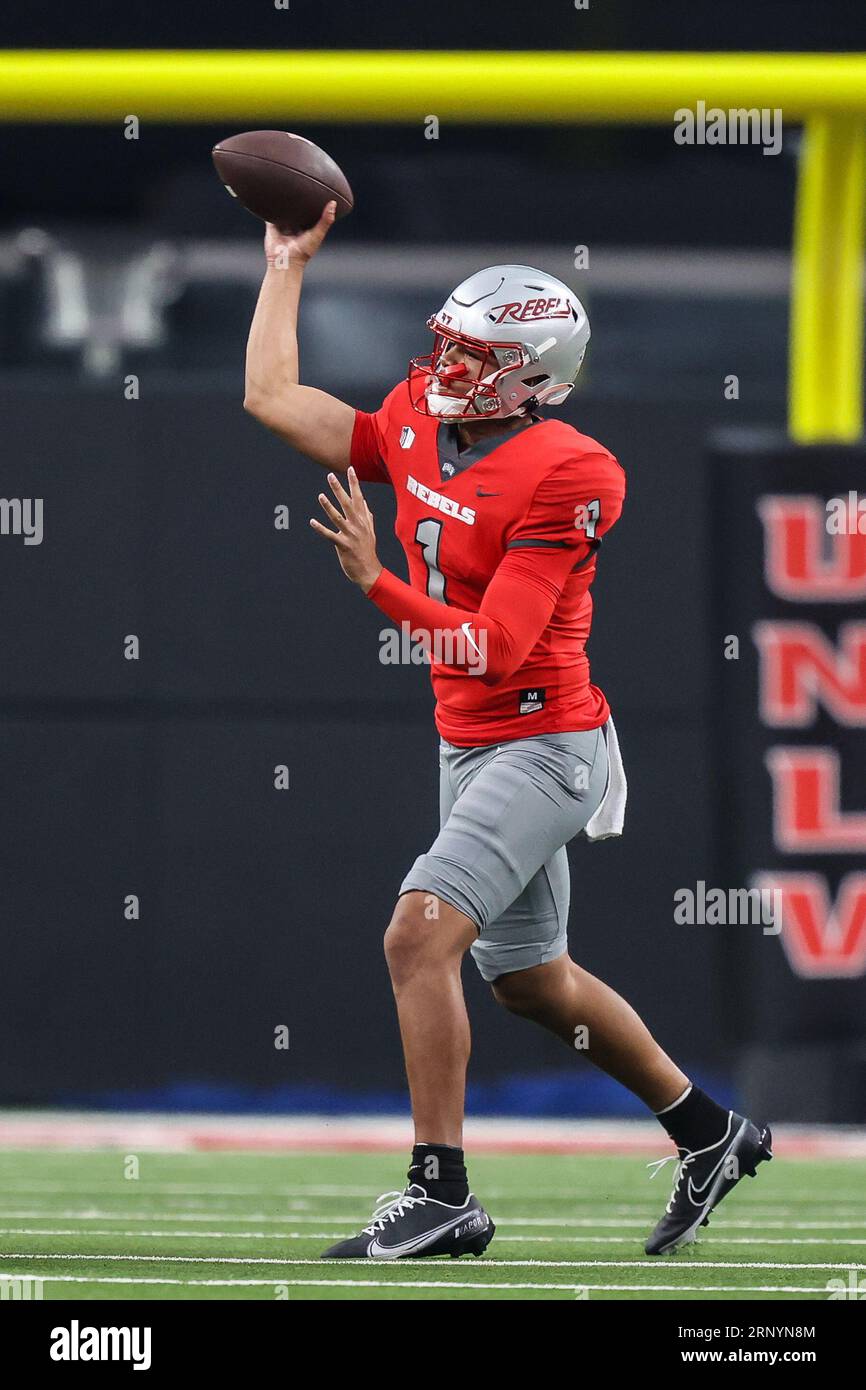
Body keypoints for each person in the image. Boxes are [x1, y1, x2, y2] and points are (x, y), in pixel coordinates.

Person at [243, 202, 773, 1261]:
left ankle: (441, 1194)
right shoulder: (412, 415)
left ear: (536, 376)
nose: (443, 363)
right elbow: (271, 398)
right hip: (472, 743)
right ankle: (708, 1131)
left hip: (544, 742)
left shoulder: (570, 469)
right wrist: (285, 265)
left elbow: (493, 643)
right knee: (530, 979)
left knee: (415, 934)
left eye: (472, 355)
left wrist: (376, 582)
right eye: (445, 341)